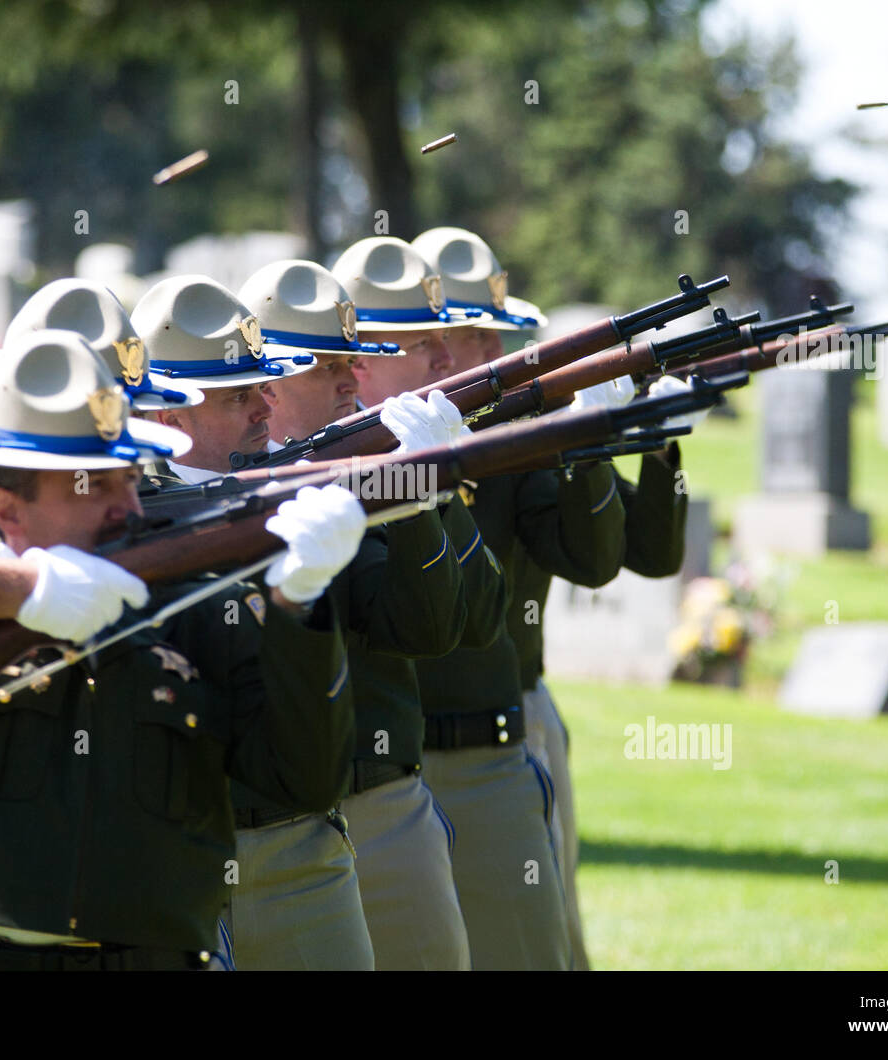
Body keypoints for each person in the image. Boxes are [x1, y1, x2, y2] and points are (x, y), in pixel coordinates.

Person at [0, 330, 365, 971]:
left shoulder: (192, 604)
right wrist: (14, 590)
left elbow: (302, 778)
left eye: (129, 480)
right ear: (6, 509)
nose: (128, 507)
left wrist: (299, 610)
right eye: (92, 487)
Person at [237, 257, 502, 969]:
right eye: (328, 365)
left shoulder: (355, 466)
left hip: (375, 799)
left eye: (352, 362)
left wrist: (423, 494)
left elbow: (438, 626)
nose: (352, 380)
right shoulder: (196, 488)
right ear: (265, 379)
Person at [132, 273, 379, 969]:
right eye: (239, 392)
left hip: (295, 846)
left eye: (263, 384)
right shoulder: (111, 521)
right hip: (165, 865)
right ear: (171, 417)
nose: (266, 403)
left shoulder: (290, 491)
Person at [406, 226, 627, 970]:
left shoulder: (516, 436)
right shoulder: (367, 447)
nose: (489, 354)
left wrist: (596, 440)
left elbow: (599, 559)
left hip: (492, 731)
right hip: (386, 769)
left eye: (486, 335)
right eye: (470, 335)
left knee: (540, 943)